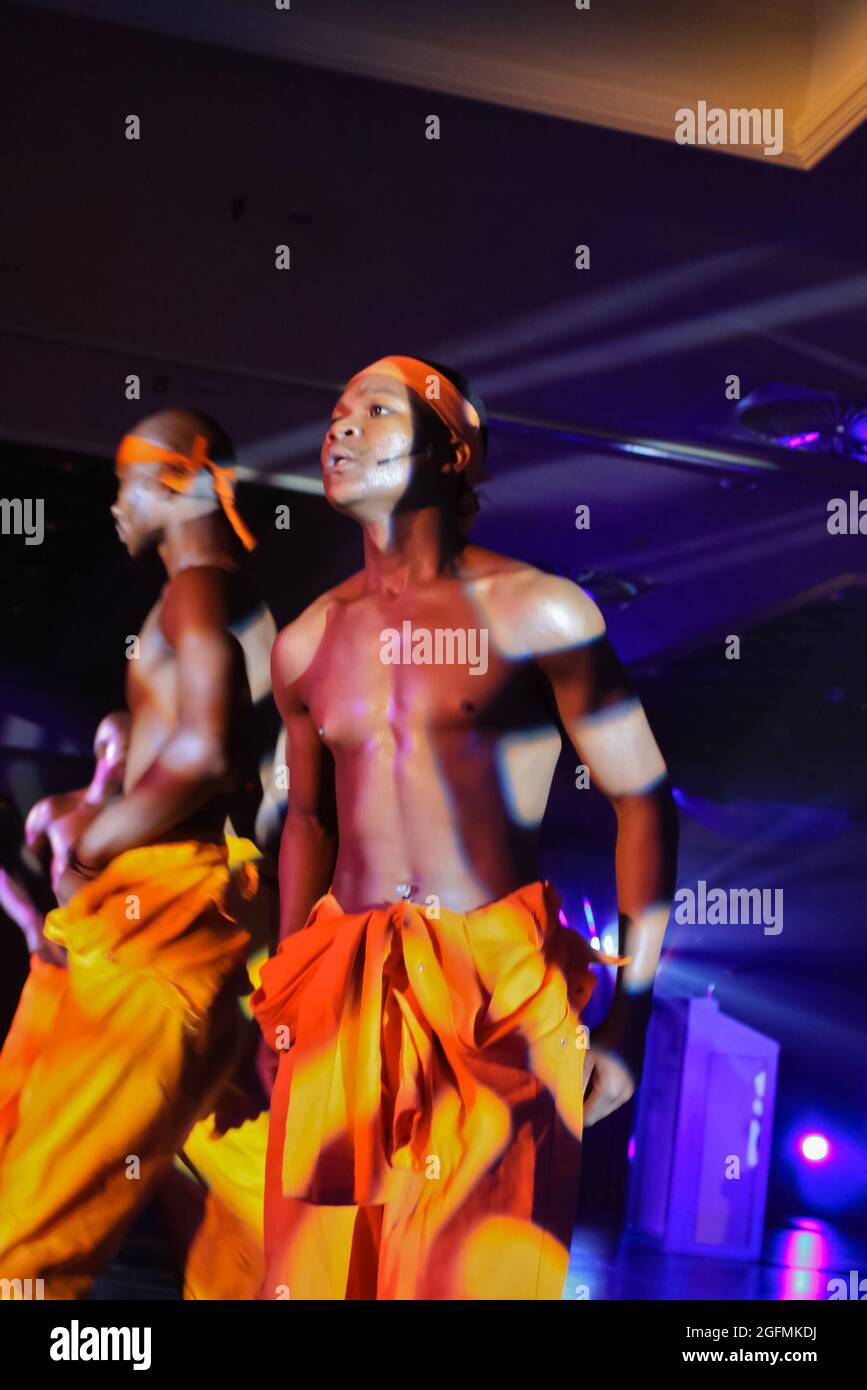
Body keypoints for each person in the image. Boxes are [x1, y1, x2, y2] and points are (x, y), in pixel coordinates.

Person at [253, 354, 678, 1300]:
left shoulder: (540, 612)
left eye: (372, 408)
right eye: (334, 412)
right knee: (319, 1278)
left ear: (452, 450)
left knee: (474, 1279)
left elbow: (643, 797)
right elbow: (307, 820)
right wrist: (285, 995)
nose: (340, 428)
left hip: (494, 991)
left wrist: (633, 1018)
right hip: (343, 997)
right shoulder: (305, 643)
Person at [0, 409, 276, 1300]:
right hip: (182, 937)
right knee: (256, 1229)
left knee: (26, 1244)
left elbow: (209, 753)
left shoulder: (197, 588)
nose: (113, 502)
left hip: (158, 945)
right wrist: (89, 811)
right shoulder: (215, 598)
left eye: (124, 481)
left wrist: (95, 839)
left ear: (178, 482)